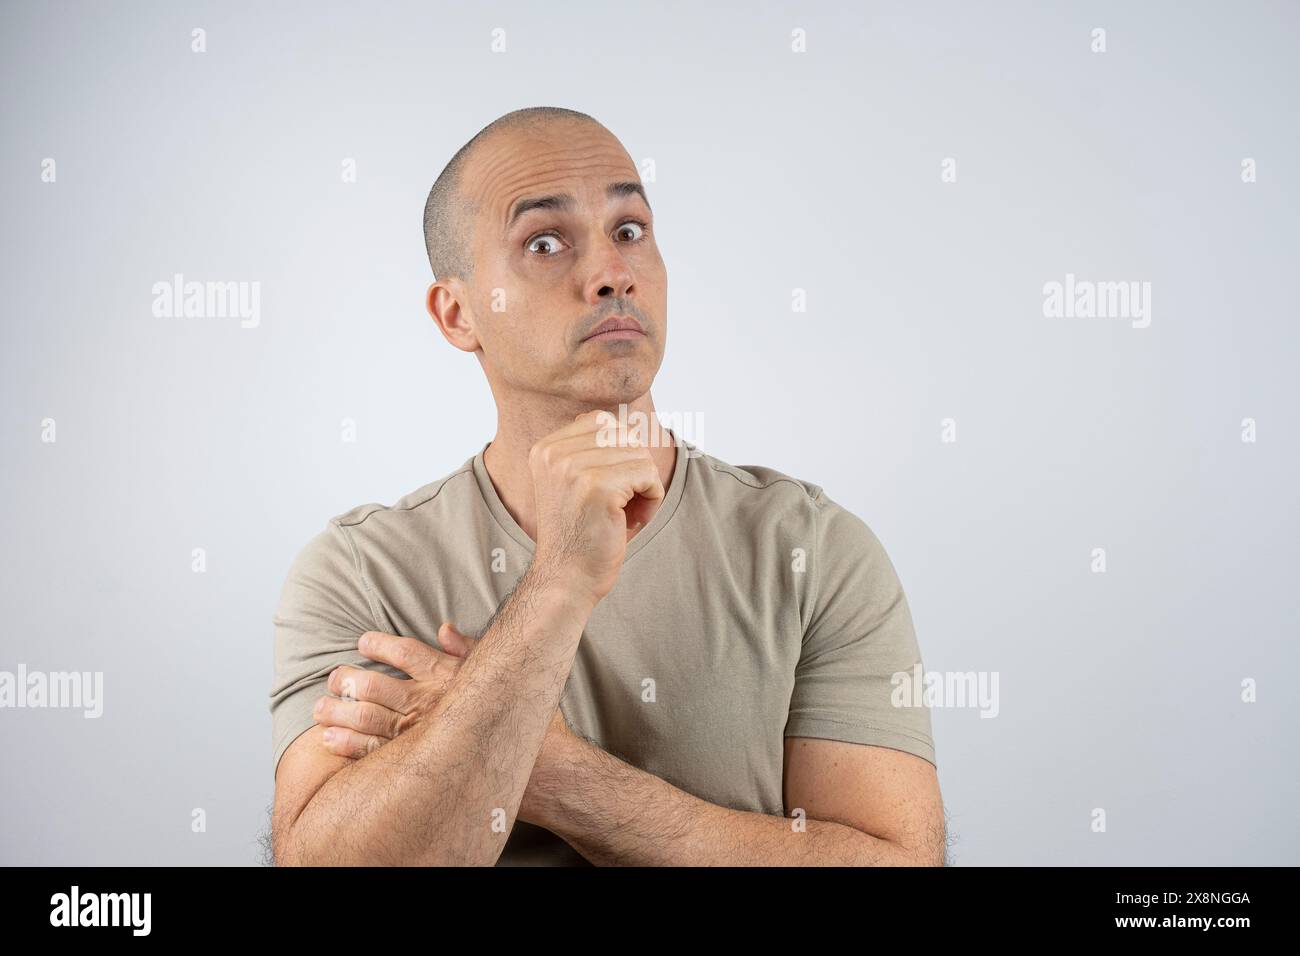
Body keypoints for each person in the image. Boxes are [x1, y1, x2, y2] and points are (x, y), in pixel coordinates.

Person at [269, 106, 945, 866]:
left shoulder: (811, 548)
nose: (610, 274)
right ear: (457, 314)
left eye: (629, 231)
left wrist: (549, 774)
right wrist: (559, 580)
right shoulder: (361, 570)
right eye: (545, 243)